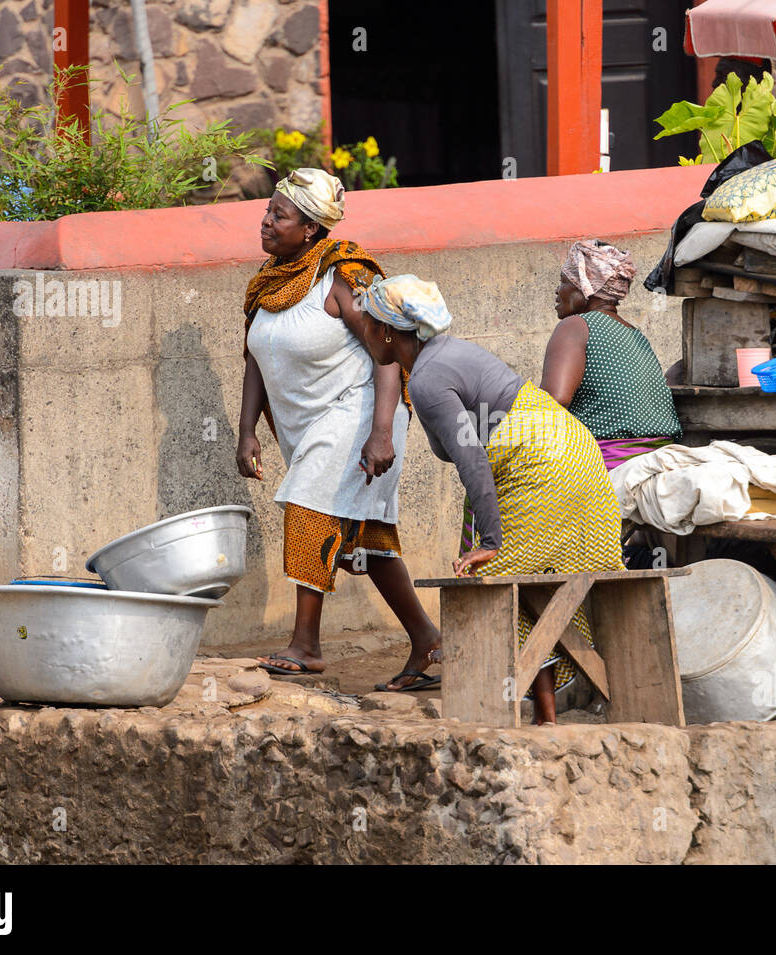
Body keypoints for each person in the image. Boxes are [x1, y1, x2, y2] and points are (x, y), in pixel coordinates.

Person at [356, 274, 624, 725]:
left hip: (540, 466)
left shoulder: (426, 378)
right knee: (541, 581)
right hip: (574, 451)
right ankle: (546, 716)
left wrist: (492, 538)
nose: (361, 332)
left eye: (365, 323)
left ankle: (486, 715)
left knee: (488, 586)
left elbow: (470, 459)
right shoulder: (447, 353)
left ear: (385, 330)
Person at [238, 168, 442, 691]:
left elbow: (387, 350)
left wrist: (381, 433)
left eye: (278, 215)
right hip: (310, 426)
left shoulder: (342, 274)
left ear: (309, 228)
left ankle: (306, 645)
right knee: (367, 541)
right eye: (267, 211)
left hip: (362, 413)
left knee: (306, 505)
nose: (265, 221)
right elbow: (255, 358)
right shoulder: (268, 283)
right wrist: (247, 431)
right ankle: (428, 641)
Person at [540, 239, 682, 472]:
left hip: (609, 464)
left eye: (564, 282)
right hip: (661, 458)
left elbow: (554, 400)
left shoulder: (576, 326)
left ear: (585, 288)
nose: (558, 291)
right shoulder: (633, 333)